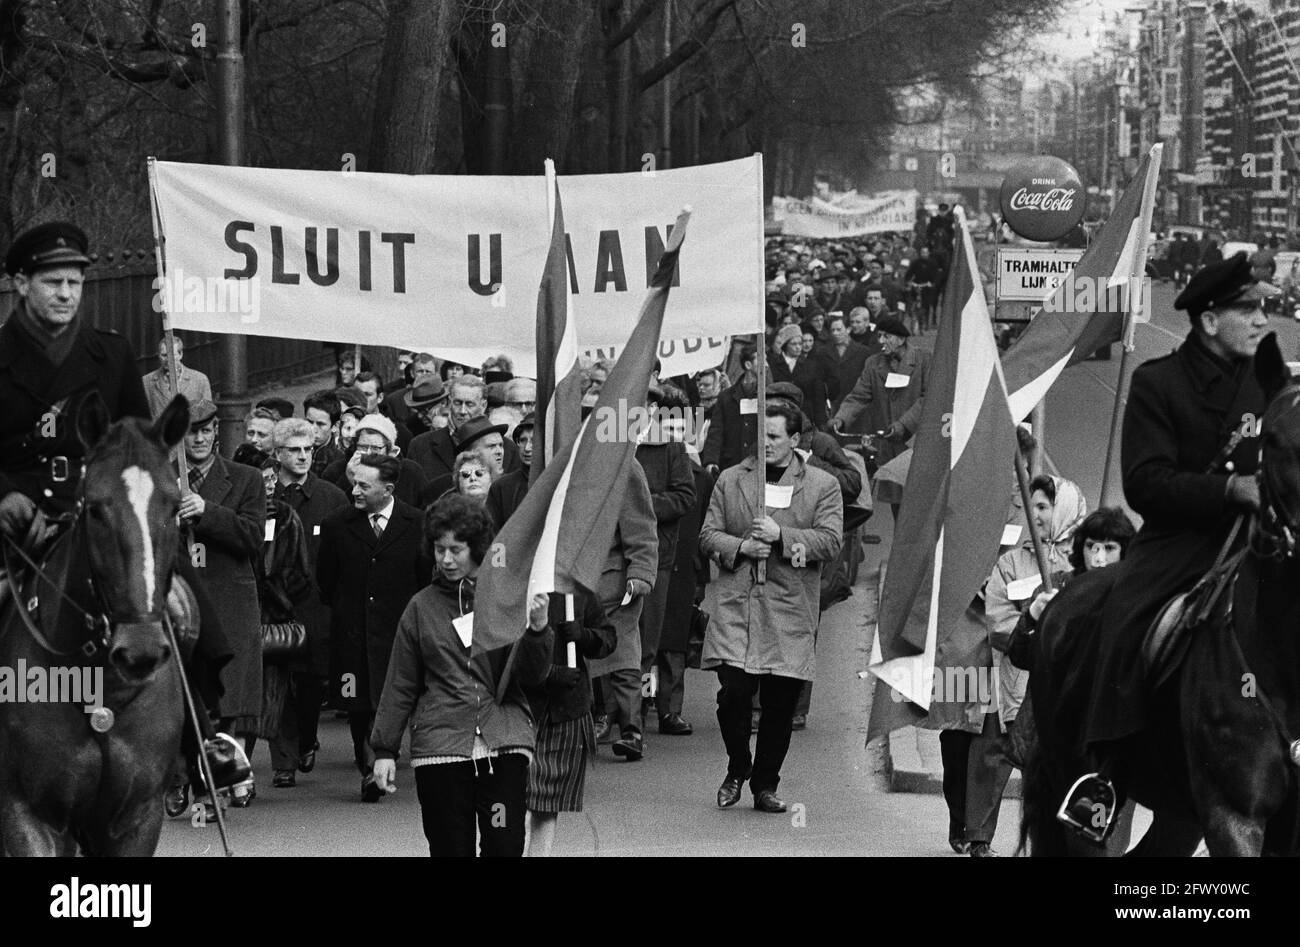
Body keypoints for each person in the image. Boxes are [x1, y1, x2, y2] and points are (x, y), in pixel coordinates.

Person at [1064, 253, 1276, 841]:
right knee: (1122, 620)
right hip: (1181, 543)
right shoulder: (1158, 383)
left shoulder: (1271, 383)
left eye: (1264, 307)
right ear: (1210, 320)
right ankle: (1104, 772)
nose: (1263, 320)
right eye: (1249, 309)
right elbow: (1146, 483)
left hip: (1261, 542)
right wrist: (1230, 487)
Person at [370, 496, 554, 857]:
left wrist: (538, 629)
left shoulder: (505, 599)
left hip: (504, 743)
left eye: (457, 549)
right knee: (451, 848)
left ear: (478, 549)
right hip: (440, 749)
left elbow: (532, 677)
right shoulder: (420, 607)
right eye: (439, 550)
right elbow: (400, 683)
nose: (447, 559)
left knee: (504, 846)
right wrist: (384, 750)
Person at [699, 403, 842, 813]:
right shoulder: (731, 479)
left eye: (775, 437)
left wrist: (782, 536)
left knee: (780, 705)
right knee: (733, 696)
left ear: (795, 440)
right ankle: (738, 765)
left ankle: (765, 784)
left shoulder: (821, 485)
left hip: (789, 607)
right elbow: (708, 535)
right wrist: (742, 546)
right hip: (737, 606)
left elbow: (830, 542)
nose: (765, 443)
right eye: (762, 435)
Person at [951, 475, 1086, 857]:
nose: (1036, 514)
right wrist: (1033, 633)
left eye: (1044, 506)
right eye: (1033, 506)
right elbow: (997, 617)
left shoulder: (1083, 560)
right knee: (993, 753)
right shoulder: (1011, 562)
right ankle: (978, 835)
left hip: (1061, 680)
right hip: (1011, 675)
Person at [0, 222, 150, 542]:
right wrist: (4, 497)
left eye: (74, 282)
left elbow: (136, 443)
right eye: (53, 283)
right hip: (16, 520)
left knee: (179, 586)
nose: (66, 294)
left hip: (97, 515)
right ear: (22, 284)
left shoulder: (113, 353)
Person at [316, 454, 426, 802]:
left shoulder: (417, 522)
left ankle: (392, 756)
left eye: (364, 485)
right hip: (354, 631)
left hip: (400, 629)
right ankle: (369, 767)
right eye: (354, 482)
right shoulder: (337, 524)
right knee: (359, 701)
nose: (355, 491)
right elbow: (325, 580)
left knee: (399, 696)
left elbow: (425, 577)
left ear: (388, 489)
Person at [180, 398, 267, 807]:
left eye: (205, 429)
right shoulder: (165, 477)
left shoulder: (246, 478)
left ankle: (234, 772)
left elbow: (252, 538)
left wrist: (207, 511)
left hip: (229, 597)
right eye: (190, 430)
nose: (198, 437)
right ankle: (185, 773)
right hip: (182, 595)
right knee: (183, 689)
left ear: (216, 431)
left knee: (230, 695)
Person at [607, 387, 695, 759]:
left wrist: (641, 500)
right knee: (610, 637)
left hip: (655, 554)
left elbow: (685, 496)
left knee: (647, 641)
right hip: (610, 557)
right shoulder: (608, 444)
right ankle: (610, 712)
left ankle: (639, 716)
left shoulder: (670, 446)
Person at [269, 418, 349, 787]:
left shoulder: (330, 496)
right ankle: (283, 761)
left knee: (313, 681)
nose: (303, 457)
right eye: (294, 451)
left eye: (308, 450)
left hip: (317, 602)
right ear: (278, 454)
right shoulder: (264, 493)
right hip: (274, 603)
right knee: (280, 680)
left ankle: (305, 739)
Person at [524, 589, 617, 856]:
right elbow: (501, 649)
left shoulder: (580, 589)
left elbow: (609, 638)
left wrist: (585, 636)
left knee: (546, 805)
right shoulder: (516, 581)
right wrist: (549, 674)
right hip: (520, 712)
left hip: (566, 711)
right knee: (517, 805)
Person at [249, 453, 313, 798]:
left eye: (273, 479)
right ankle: (237, 766)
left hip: (276, 617)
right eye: (263, 479)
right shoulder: (239, 516)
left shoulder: (287, 518)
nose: (270, 486)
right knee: (242, 695)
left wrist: (280, 594)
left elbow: (302, 571)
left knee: (282, 693)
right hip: (243, 616)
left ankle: (285, 764)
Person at [830, 315, 931, 472]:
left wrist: (904, 424)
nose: (881, 341)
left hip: (914, 439)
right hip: (885, 441)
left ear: (901, 340)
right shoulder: (873, 362)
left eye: (886, 336)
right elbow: (859, 396)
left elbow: (928, 398)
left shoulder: (923, 360)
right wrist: (841, 418)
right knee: (885, 485)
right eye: (879, 336)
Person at [408, 374, 520, 486]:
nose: (462, 411)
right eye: (457, 403)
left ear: (483, 405)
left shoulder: (507, 450)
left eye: (469, 404)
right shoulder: (420, 446)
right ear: (449, 402)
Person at [322, 413, 428, 507]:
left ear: (391, 452)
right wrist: (349, 480)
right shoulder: (335, 471)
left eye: (375, 448)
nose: (368, 454)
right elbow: (331, 510)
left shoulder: (411, 472)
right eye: (362, 447)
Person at [700, 343, 759, 474]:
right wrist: (711, 461)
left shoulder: (768, 395)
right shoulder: (726, 397)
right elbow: (716, 431)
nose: (766, 364)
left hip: (759, 466)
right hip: (731, 465)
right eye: (761, 359)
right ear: (748, 365)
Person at [141, 333, 212, 419]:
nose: (168, 360)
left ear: (180, 354)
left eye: (172, 355)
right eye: (164, 355)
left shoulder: (200, 379)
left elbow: (208, 415)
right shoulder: (146, 381)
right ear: (158, 356)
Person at [824, 313, 871, 415]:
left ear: (848, 329)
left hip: (856, 405)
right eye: (832, 330)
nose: (835, 333)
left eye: (839, 329)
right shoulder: (823, 352)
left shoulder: (863, 352)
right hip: (832, 405)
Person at [303, 390, 345, 476]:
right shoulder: (293, 448)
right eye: (309, 422)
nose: (313, 429)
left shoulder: (339, 461)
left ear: (335, 426)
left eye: (320, 424)